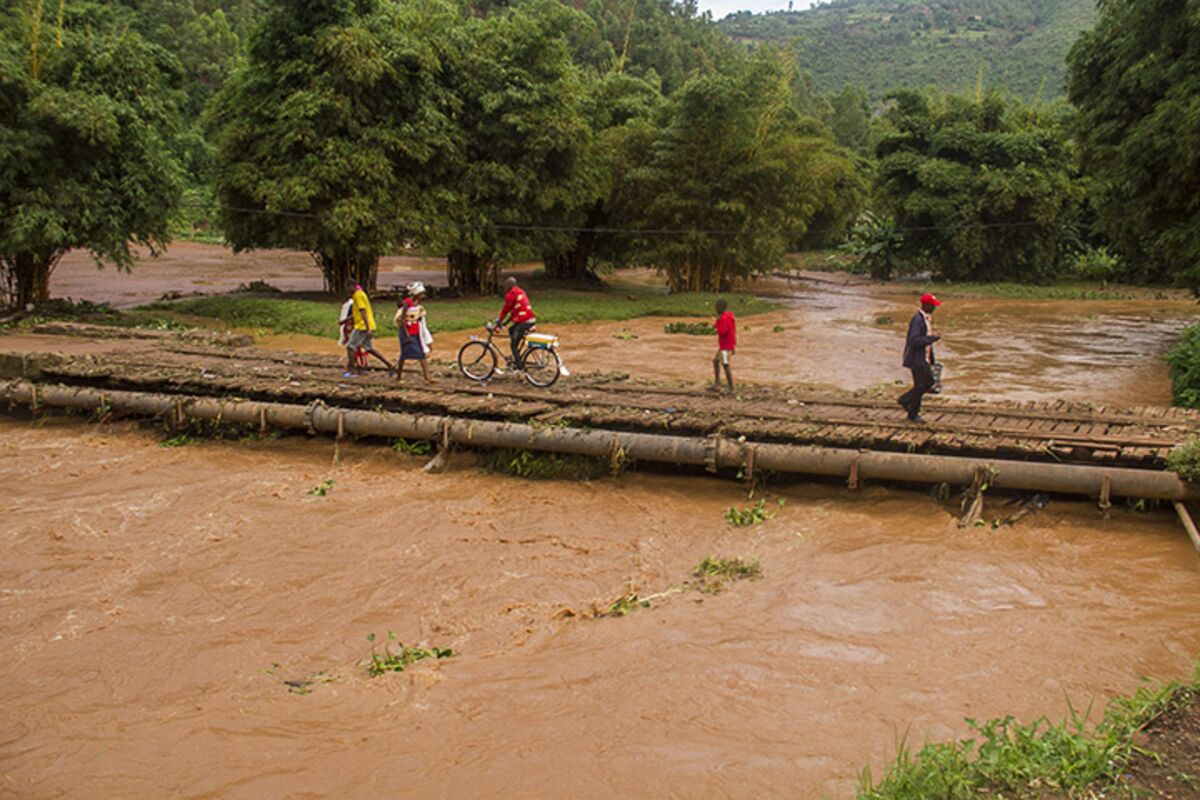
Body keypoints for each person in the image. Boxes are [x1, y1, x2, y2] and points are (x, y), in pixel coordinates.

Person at [898, 292, 942, 424]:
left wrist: (932, 359)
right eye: (933, 305)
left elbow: (925, 343)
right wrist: (932, 338)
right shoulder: (917, 320)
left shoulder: (925, 319)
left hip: (923, 358)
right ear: (926, 305)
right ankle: (905, 401)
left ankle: (911, 410)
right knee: (926, 384)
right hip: (916, 358)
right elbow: (914, 340)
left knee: (922, 385)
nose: (934, 308)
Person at [344, 282, 394, 377]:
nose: (346, 291)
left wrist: (368, 328)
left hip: (362, 326)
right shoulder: (361, 293)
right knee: (369, 348)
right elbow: (358, 312)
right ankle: (390, 365)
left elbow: (363, 312)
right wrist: (345, 320)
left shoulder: (357, 296)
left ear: (350, 286)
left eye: (347, 287)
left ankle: (352, 369)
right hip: (368, 325)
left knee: (350, 347)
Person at [394, 282, 433, 384]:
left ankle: (426, 377)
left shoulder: (417, 305)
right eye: (421, 294)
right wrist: (407, 334)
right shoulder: (407, 303)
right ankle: (399, 376)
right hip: (407, 333)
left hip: (415, 332)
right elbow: (402, 319)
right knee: (407, 355)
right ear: (416, 294)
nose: (423, 296)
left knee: (419, 355)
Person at [495, 276, 536, 370]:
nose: (504, 287)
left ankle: (520, 366)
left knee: (513, 345)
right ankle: (516, 356)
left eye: (506, 285)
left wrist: (498, 321)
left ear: (510, 285)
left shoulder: (511, 294)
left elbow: (505, 310)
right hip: (530, 319)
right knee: (511, 330)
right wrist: (504, 324)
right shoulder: (520, 291)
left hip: (524, 321)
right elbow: (513, 312)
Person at [712, 298, 736, 393]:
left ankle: (731, 387)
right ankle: (717, 383)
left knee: (725, 364)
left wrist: (718, 322)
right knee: (715, 361)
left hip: (725, 346)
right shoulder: (727, 316)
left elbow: (722, 331)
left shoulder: (724, 318)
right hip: (726, 345)